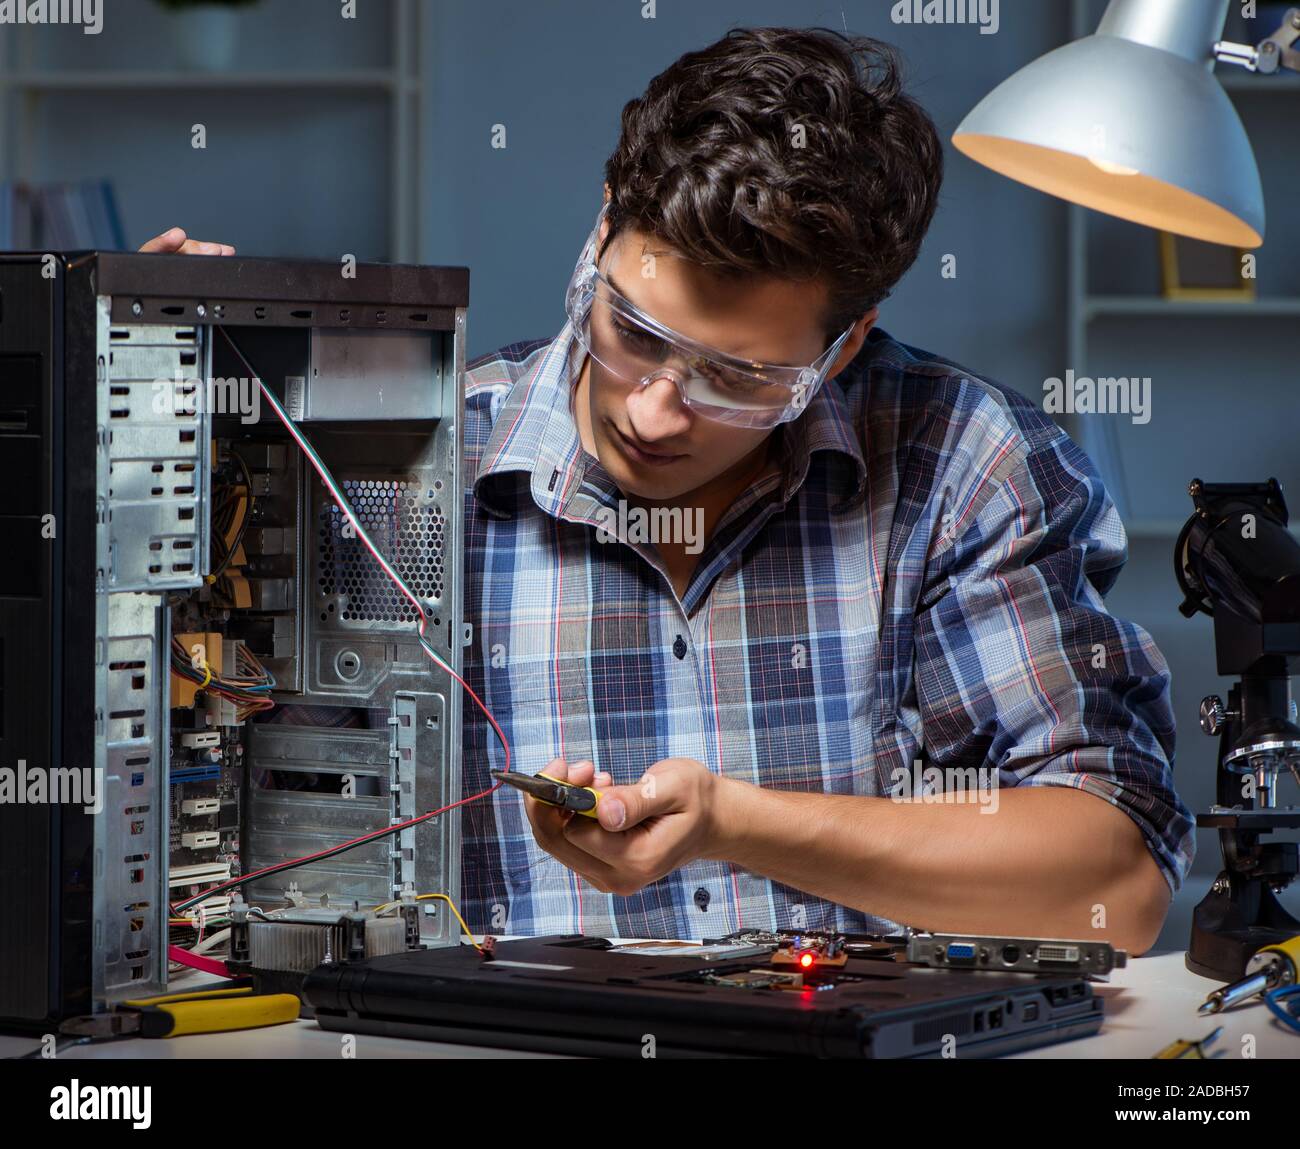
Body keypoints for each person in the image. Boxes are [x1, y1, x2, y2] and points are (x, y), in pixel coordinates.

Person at [143, 26, 1194, 953]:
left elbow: (1112, 884)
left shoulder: (960, 463)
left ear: (841, 350)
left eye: (737, 377)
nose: (653, 412)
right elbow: (187, 785)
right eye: (634, 332)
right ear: (600, 232)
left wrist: (738, 823)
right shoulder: (387, 465)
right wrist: (164, 415)